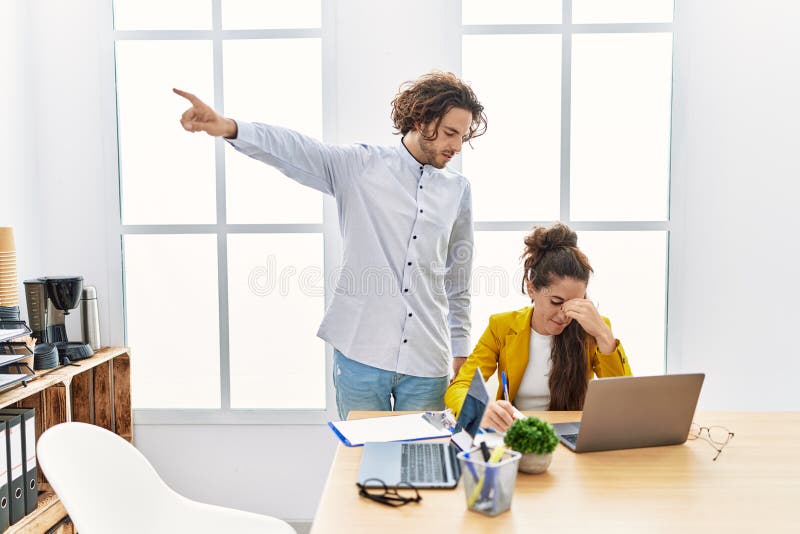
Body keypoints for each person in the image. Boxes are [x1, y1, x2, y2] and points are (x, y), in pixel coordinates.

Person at [174, 72, 487, 420]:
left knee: (422, 463)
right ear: (420, 120)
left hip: (428, 362)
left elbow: (458, 279)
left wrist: (460, 350)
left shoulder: (458, 190)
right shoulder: (359, 166)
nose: (457, 146)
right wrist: (229, 127)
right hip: (360, 356)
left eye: (463, 136)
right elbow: (295, 148)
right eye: (450, 133)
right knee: (361, 465)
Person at [444, 223, 632, 431]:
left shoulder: (592, 329)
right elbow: (460, 386)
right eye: (556, 301)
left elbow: (624, 402)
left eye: (575, 304)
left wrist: (604, 336)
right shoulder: (502, 326)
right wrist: (479, 410)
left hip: (574, 434)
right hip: (519, 436)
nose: (564, 315)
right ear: (532, 287)